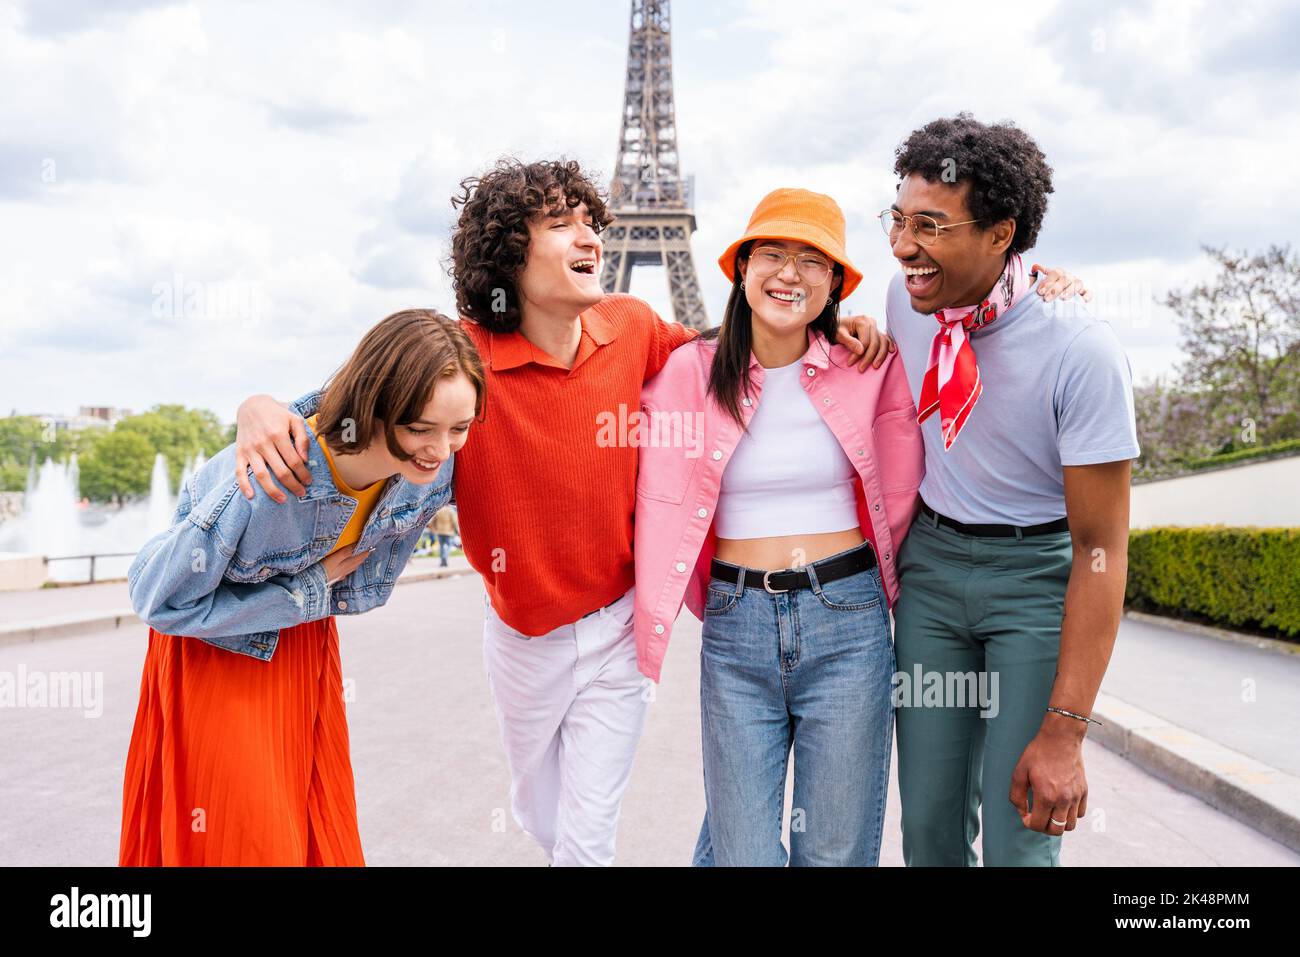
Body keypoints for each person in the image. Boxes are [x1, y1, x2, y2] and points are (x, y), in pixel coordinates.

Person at [229, 158, 891, 866]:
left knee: (585, 839)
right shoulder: (461, 356)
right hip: (521, 634)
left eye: (592, 223)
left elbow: (747, 346)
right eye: (562, 223)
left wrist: (833, 321)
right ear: (510, 253)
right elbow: (357, 402)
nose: (591, 237)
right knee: (542, 813)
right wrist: (257, 407)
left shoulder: (633, 328)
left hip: (615, 627)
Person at [119, 309, 484, 866]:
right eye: (420, 428)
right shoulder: (272, 473)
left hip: (306, 649)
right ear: (376, 405)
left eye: (459, 428)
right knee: (245, 842)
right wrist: (307, 591)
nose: (441, 449)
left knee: (312, 835)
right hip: (218, 657)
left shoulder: (430, 473)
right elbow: (156, 597)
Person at [634, 189, 924, 865]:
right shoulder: (687, 373)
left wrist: (1046, 285)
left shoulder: (869, 367)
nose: (789, 273)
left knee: (834, 851)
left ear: (834, 286)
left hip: (848, 619)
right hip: (737, 625)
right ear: (742, 268)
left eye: (812, 261)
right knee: (743, 854)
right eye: (772, 254)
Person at [881, 114, 1140, 866]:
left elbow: (1101, 547)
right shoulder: (910, 301)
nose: (903, 247)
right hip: (931, 571)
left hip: (1036, 582)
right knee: (927, 827)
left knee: (1020, 831)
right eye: (897, 220)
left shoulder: (1082, 349)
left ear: (1001, 233)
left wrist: (1067, 729)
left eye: (929, 226)